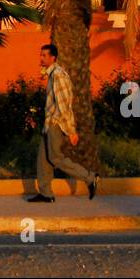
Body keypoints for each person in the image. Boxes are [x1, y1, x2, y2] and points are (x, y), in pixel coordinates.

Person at [30, 43, 98, 202]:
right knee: (43, 160)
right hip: (48, 124)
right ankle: (46, 194)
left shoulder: (58, 75)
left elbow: (64, 104)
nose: (41, 58)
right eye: (40, 55)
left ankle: (90, 178)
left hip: (55, 124)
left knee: (56, 158)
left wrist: (71, 130)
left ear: (53, 57)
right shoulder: (52, 74)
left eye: (44, 55)